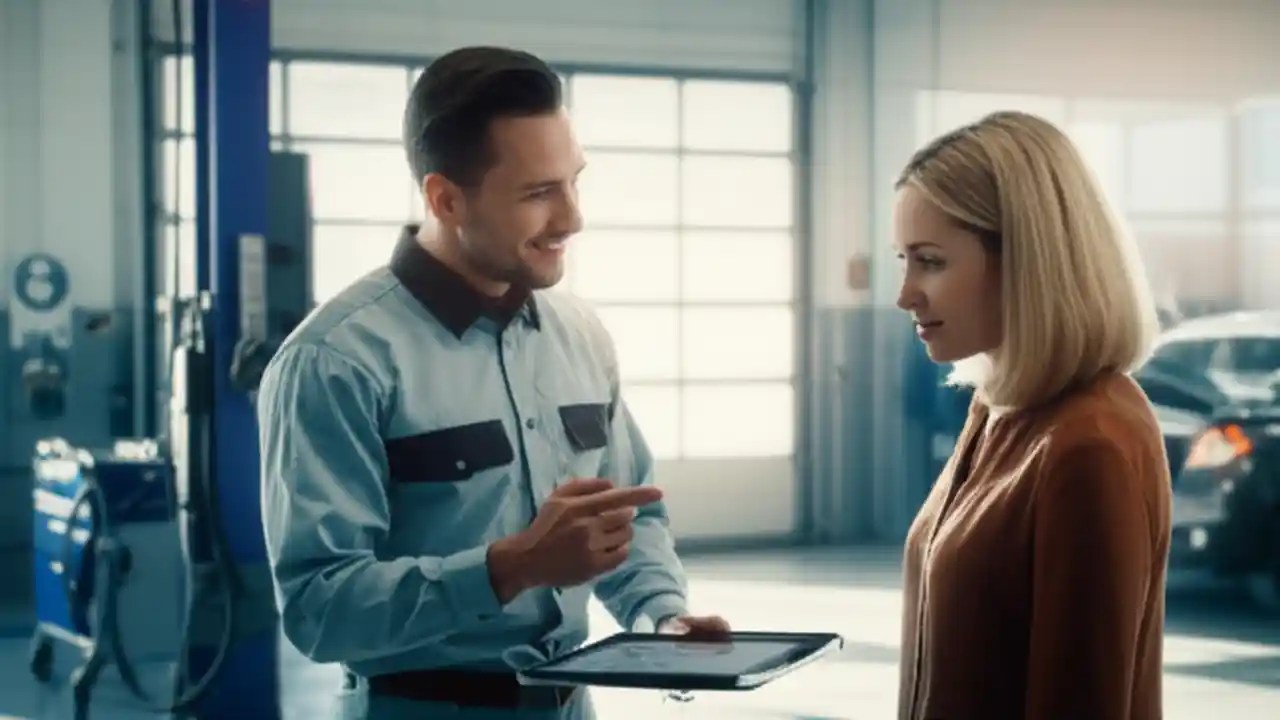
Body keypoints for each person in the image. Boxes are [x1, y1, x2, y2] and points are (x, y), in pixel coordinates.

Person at [256, 46, 728, 719]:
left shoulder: (580, 336)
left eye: (574, 181)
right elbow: (319, 609)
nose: (572, 218)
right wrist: (511, 567)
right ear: (445, 198)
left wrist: (661, 613)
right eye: (539, 193)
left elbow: (632, 518)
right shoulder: (335, 361)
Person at [891, 111, 1172, 720]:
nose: (905, 292)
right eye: (903, 260)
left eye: (931, 262)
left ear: (1026, 260)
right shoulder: (997, 406)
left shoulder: (1090, 443)